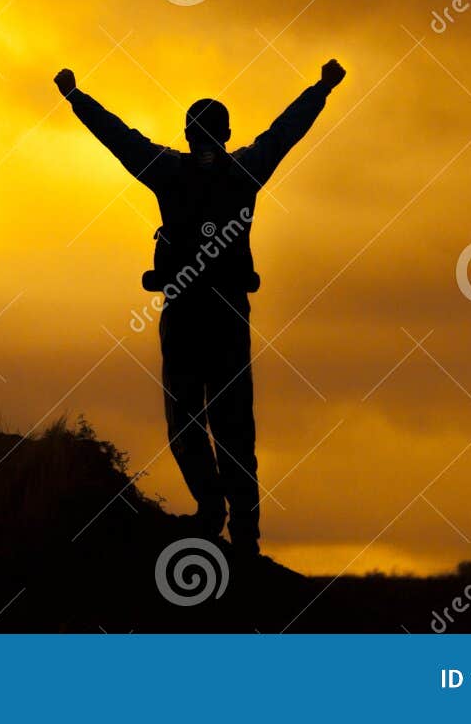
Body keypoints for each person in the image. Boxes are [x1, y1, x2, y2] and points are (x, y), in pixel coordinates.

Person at [53, 59, 347, 554]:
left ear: (189, 136)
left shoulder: (171, 171)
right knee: (231, 427)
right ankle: (239, 530)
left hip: (192, 314)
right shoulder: (240, 170)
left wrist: (75, 98)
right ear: (224, 135)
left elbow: (119, 137)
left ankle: (220, 516)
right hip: (221, 315)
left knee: (190, 422)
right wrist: (322, 88)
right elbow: (285, 131)